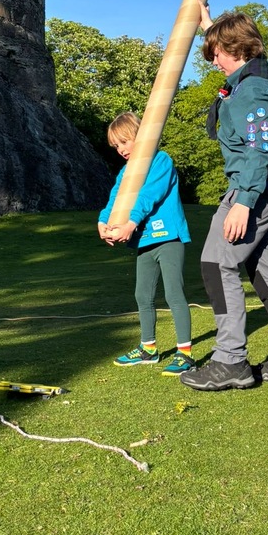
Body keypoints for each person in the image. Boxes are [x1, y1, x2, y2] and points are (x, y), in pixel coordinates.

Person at [179, 4, 268, 391]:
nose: (213, 61)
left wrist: (243, 201)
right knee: (266, 271)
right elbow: (242, 52)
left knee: (214, 264)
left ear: (235, 48)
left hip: (252, 190)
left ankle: (230, 360)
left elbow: (260, 149)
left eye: (216, 52)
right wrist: (211, 26)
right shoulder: (257, 77)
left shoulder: (251, 89)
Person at [97, 112, 194, 375]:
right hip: (145, 242)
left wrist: (129, 224)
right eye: (117, 146)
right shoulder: (126, 171)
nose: (121, 150)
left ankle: (185, 353)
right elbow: (116, 197)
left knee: (174, 293)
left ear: (141, 136)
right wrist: (103, 222)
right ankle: (148, 349)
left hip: (169, 238)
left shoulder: (161, 160)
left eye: (125, 142)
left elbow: (148, 196)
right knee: (143, 294)